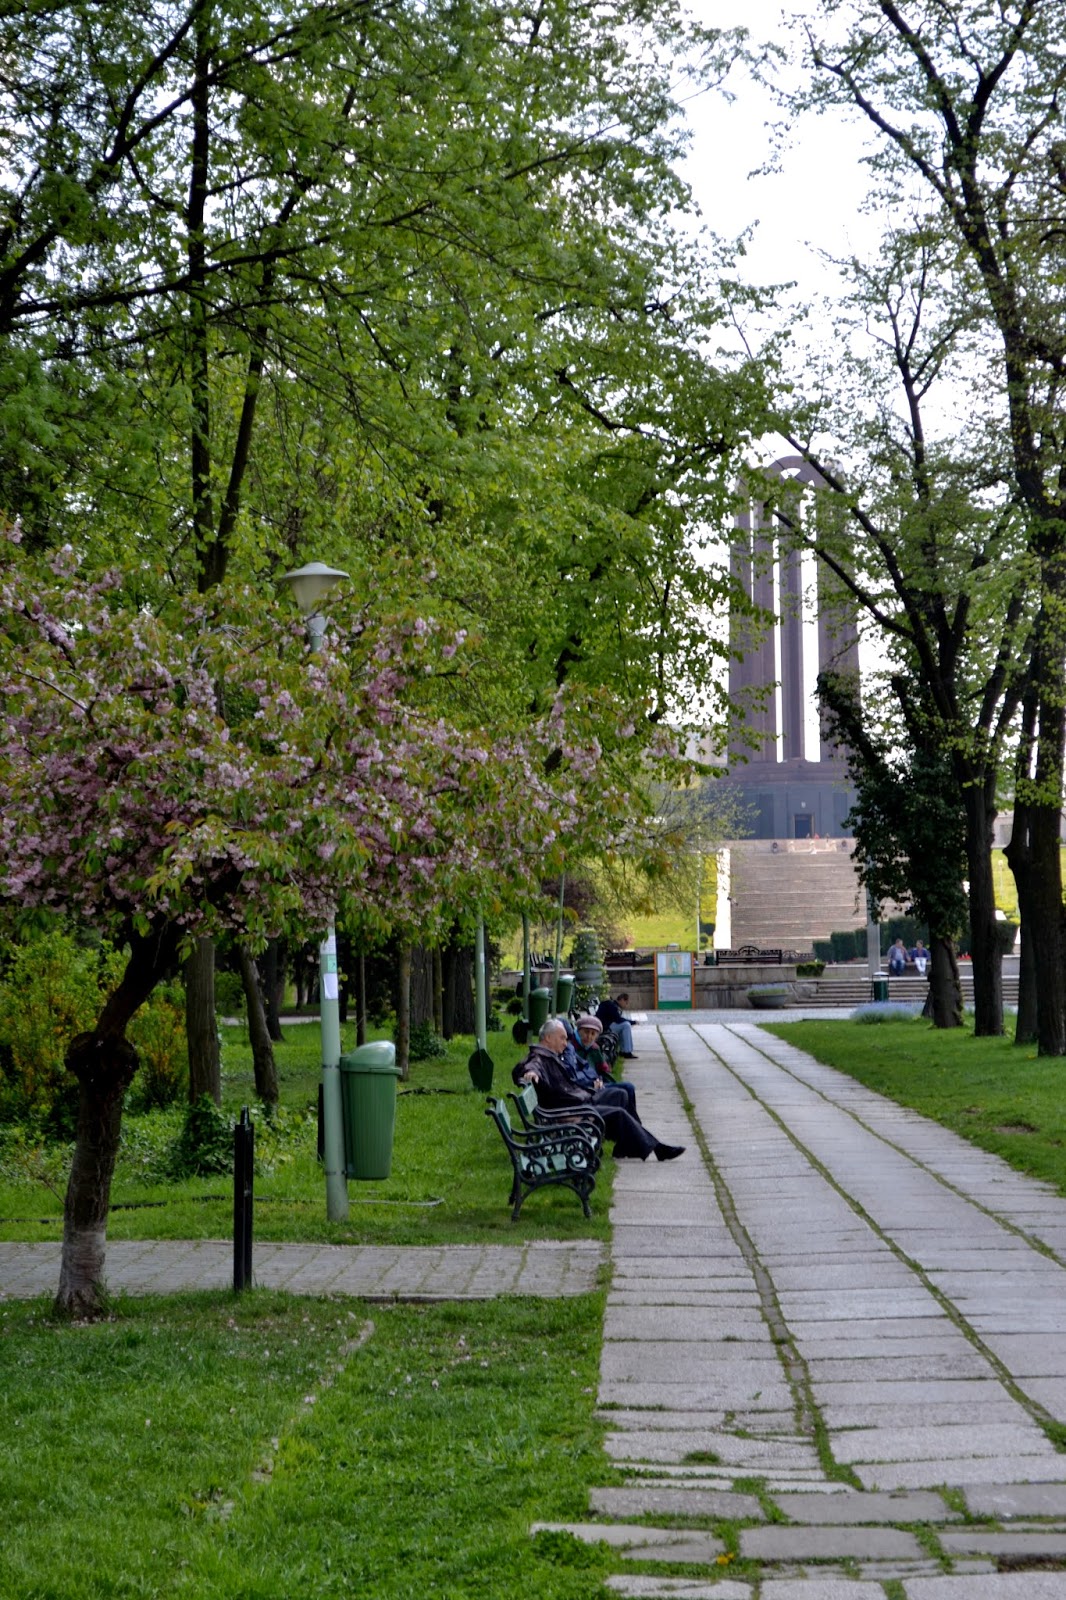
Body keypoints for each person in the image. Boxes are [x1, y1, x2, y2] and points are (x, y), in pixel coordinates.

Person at [514, 1019, 683, 1161]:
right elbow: (527, 1066)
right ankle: (656, 1148)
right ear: (549, 1038)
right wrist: (531, 1073)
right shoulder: (539, 1057)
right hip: (570, 1110)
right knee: (619, 1113)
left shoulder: (548, 1054)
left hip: (579, 1099)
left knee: (621, 1094)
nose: (566, 1043)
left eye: (566, 1039)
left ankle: (628, 1146)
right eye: (562, 1038)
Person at [570, 1014, 639, 1119]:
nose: (589, 1037)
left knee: (628, 1087)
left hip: (598, 1083)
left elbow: (604, 1069)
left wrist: (602, 1078)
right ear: (579, 1032)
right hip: (586, 1088)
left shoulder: (594, 1049)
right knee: (625, 1090)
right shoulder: (571, 1049)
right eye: (586, 1032)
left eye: (593, 1034)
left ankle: (634, 1122)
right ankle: (633, 1124)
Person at [596, 991, 637, 1058]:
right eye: (626, 1003)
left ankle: (624, 1050)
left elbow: (617, 1019)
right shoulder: (612, 1006)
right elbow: (618, 1020)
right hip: (605, 1027)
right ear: (622, 1000)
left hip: (604, 1025)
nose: (626, 1005)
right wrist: (633, 1022)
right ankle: (627, 1052)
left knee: (624, 1025)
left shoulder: (612, 1005)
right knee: (626, 1025)